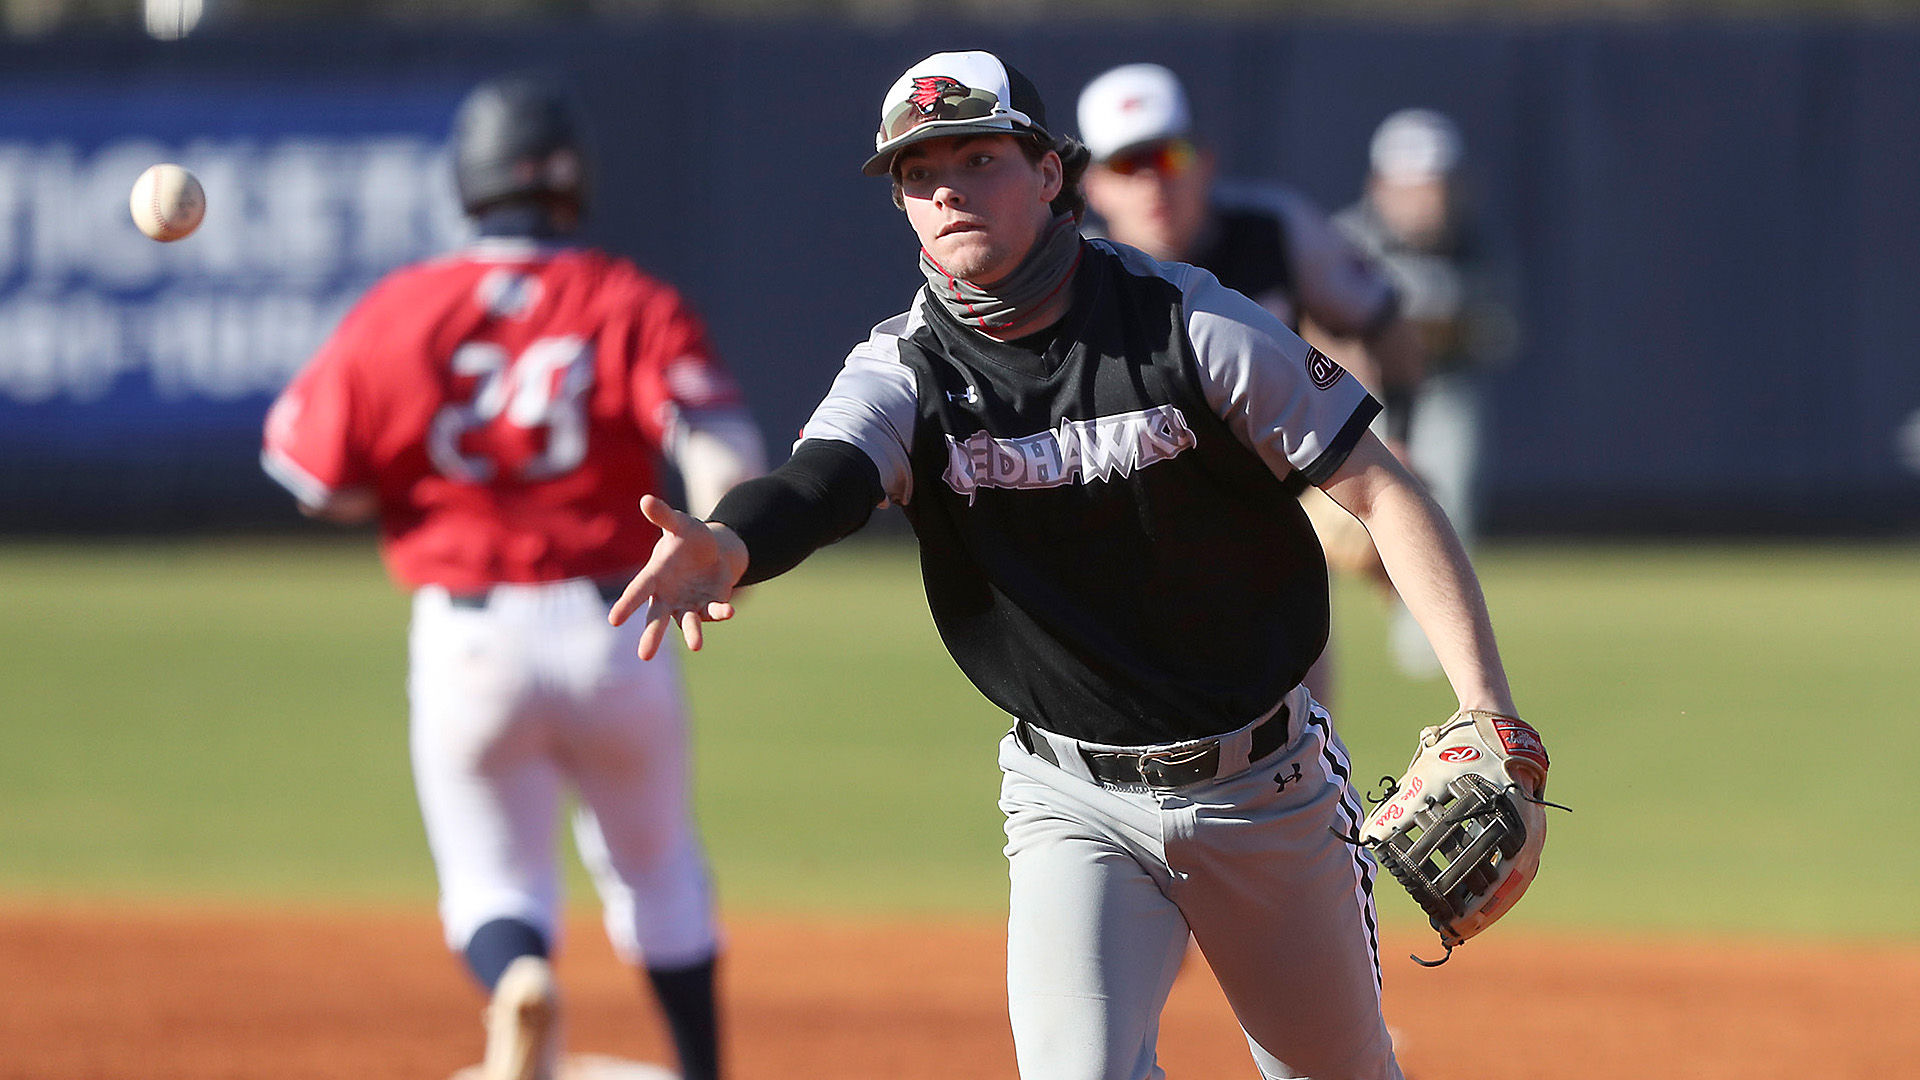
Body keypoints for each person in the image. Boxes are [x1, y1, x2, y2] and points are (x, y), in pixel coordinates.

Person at [609, 50, 1536, 1080]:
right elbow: (818, 480)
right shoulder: (905, 370)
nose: (948, 189)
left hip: (1266, 790)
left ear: (1050, 172)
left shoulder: (1190, 322)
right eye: (919, 173)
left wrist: (1488, 709)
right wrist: (734, 541)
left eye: (978, 158)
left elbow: (1384, 491)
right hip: (1072, 800)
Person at [261, 74, 763, 1080]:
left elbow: (314, 478)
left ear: (468, 181)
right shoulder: (629, 298)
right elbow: (723, 450)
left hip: (469, 637)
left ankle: (521, 976)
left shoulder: (402, 307)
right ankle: (703, 1067)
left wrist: (411, 488)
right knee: (657, 869)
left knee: (491, 880)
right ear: (576, 180)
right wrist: (719, 543)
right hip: (617, 626)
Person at [1074, 61, 1426, 700]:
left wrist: (1398, 435)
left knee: (1302, 720)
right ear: (1093, 185)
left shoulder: (1273, 230)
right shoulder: (1071, 274)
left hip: (1273, 508)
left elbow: (1384, 321)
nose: (1153, 180)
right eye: (1127, 164)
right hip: (1139, 523)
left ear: (1204, 162)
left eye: (1168, 155)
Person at [1333, 108, 1520, 676]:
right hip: (1356, 390)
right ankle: (1311, 628)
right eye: (1410, 186)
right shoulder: (1341, 240)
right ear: (1380, 186)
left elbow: (1503, 330)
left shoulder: (1475, 246)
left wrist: (1447, 328)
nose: (1423, 200)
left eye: (1433, 186)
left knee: (1449, 499)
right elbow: (1308, 327)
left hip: (1443, 386)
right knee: (1335, 516)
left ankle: (1431, 636)